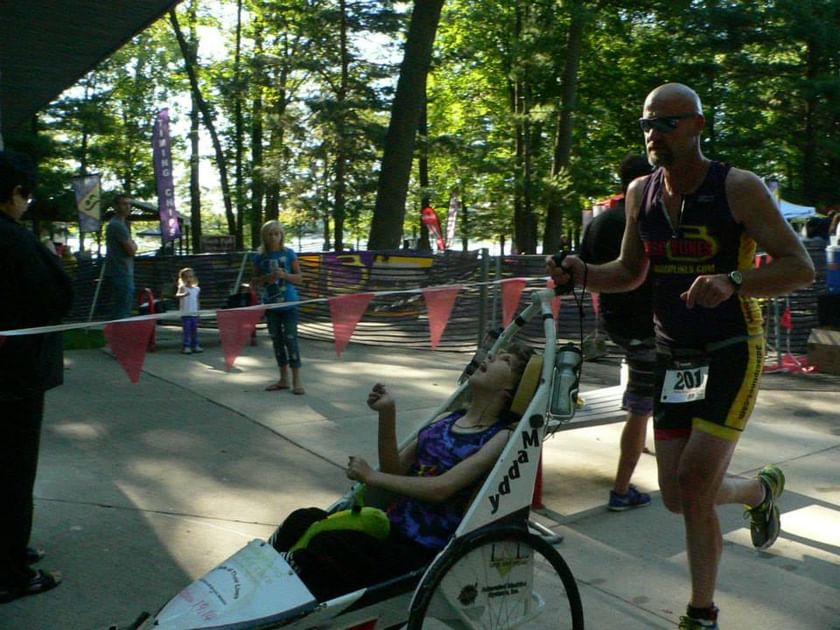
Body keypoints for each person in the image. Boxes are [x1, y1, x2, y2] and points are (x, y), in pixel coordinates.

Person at [548, 83, 815, 629]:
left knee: (693, 485)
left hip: (731, 350)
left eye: (666, 125)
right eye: (647, 125)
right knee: (676, 496)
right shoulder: (640, 193)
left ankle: (701, 613)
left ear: (696, 125)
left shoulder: (737, 188)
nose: (654, 136)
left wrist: (734, 279)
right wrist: (581, 273)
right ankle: (760, 489)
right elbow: (627, 274)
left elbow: (799, 267)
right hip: (672, 355)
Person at [267, 344, 534, 601]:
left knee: (328, 547)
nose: (491, 357)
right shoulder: (448, 419)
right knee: (301, 520)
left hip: (421, 547)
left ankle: (277, 600)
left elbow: (442, 489)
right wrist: (387, 413)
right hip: (389, 526)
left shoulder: (499, 437)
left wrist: (372, 476)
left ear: (511, 390)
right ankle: (261, 584)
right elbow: (395, 471)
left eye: (505, 360)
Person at [0, 151, 73, 603]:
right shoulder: (12, 239)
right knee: (12, 470)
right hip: (13, 379)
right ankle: (8, 572)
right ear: (11, 193)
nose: (27, 203)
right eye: (25, 194)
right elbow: (57, 294)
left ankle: (9, 549)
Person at [579, 154, 655, 511]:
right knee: (641, 407)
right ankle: (622, 491)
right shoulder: (649, 220)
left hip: (616, 321)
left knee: (646, 400)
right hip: (649, 327)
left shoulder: (599, 223)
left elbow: (583, 273)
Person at [252, 220, 305, 394]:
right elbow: (254, 281)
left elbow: (299, 278)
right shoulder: (260, 256)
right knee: (277, 341)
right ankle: (283, 379)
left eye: (277, 233)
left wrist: (285, 275)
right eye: (270, 234)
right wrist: (267, 278)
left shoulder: (289, 254)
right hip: (271, 304)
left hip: (289, 303)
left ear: (282, 235)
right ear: (265, 236)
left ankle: (297, 380)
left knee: (291, 339)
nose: (274, 237)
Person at [104, 193, 137, 319]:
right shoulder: (117, 225)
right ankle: (120, 336)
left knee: (123, 308)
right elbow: (131, 250)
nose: (127, 206)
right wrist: (134, 245)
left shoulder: (122, 224)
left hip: (122, 271)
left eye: (129, 203)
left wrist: (132, 244)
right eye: (124, 203)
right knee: (122, 311)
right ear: (116, 206)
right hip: (121, 272)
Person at [175, 267, 202, 354]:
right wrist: (184, 294)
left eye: (190, 277)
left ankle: (195, 345)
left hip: (194, 313)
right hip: (186, 313)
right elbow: (177, 295)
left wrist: (198, 311)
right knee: (187, 330)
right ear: (182, 279)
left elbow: (197, 300)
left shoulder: (196, 289)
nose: (188, 279)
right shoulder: (182, 287)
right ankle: (186, 346)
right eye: (186, 277)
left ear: (193, 278)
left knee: (194, 330)